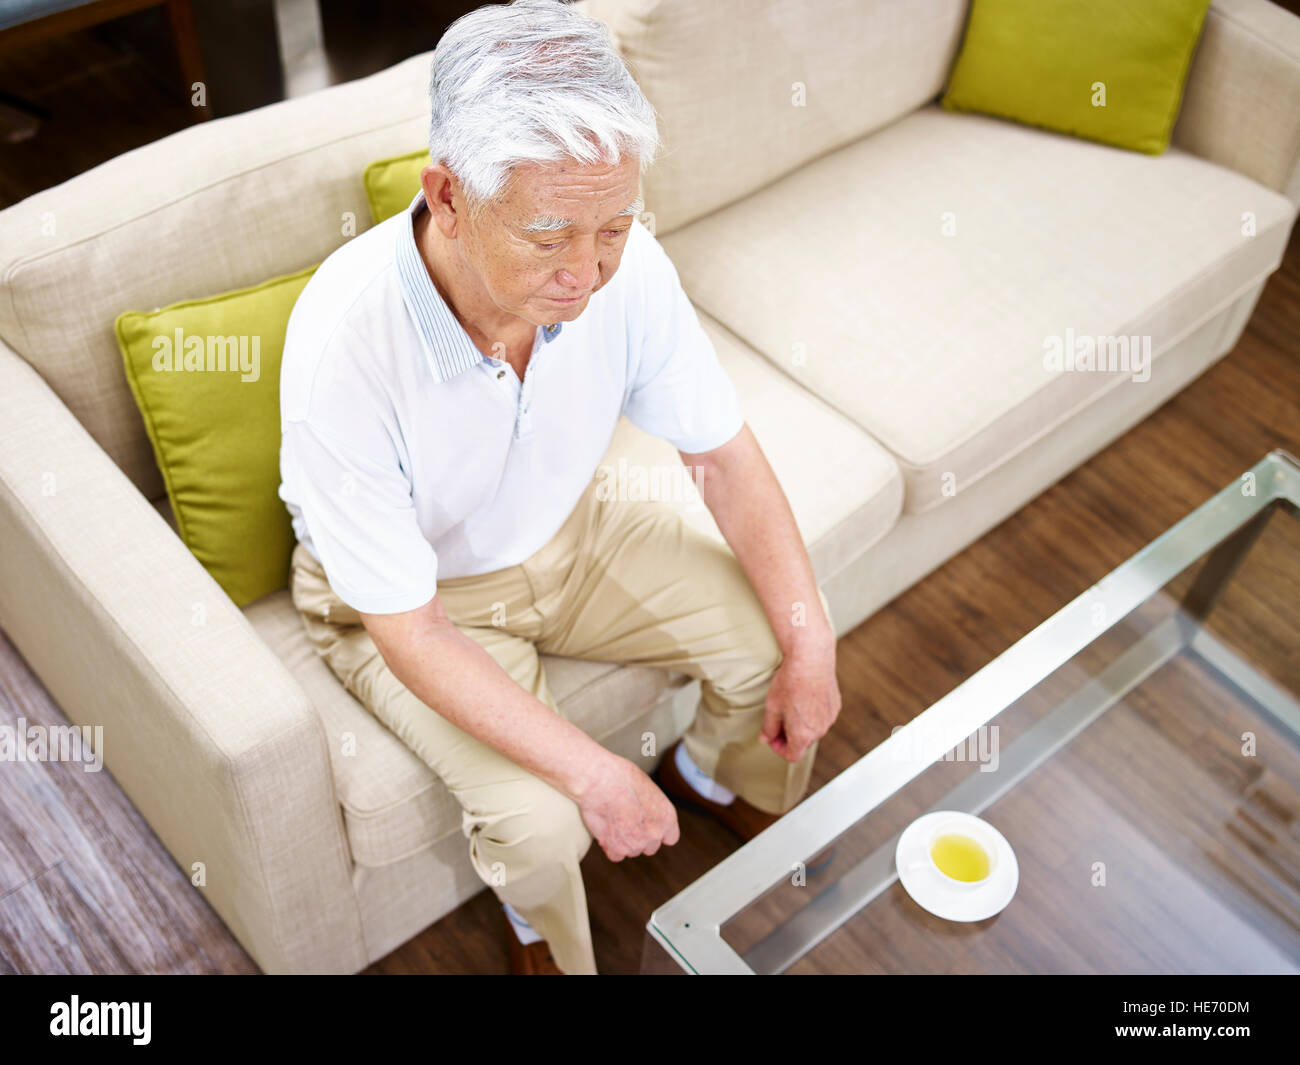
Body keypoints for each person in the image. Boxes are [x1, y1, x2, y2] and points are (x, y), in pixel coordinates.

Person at [278, 0, 842, 975]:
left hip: (570, 533)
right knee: (544, 827)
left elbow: (723, 458)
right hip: (412, 604)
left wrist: (813, 638)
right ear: (447, 196)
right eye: (549, 237)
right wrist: (593, 773)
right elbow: (409, 629)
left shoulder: (627, 268)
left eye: (613, 227)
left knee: (771, 645)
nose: (587, 274)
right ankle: (549, 938)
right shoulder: (344, 344)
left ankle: (712, 780)